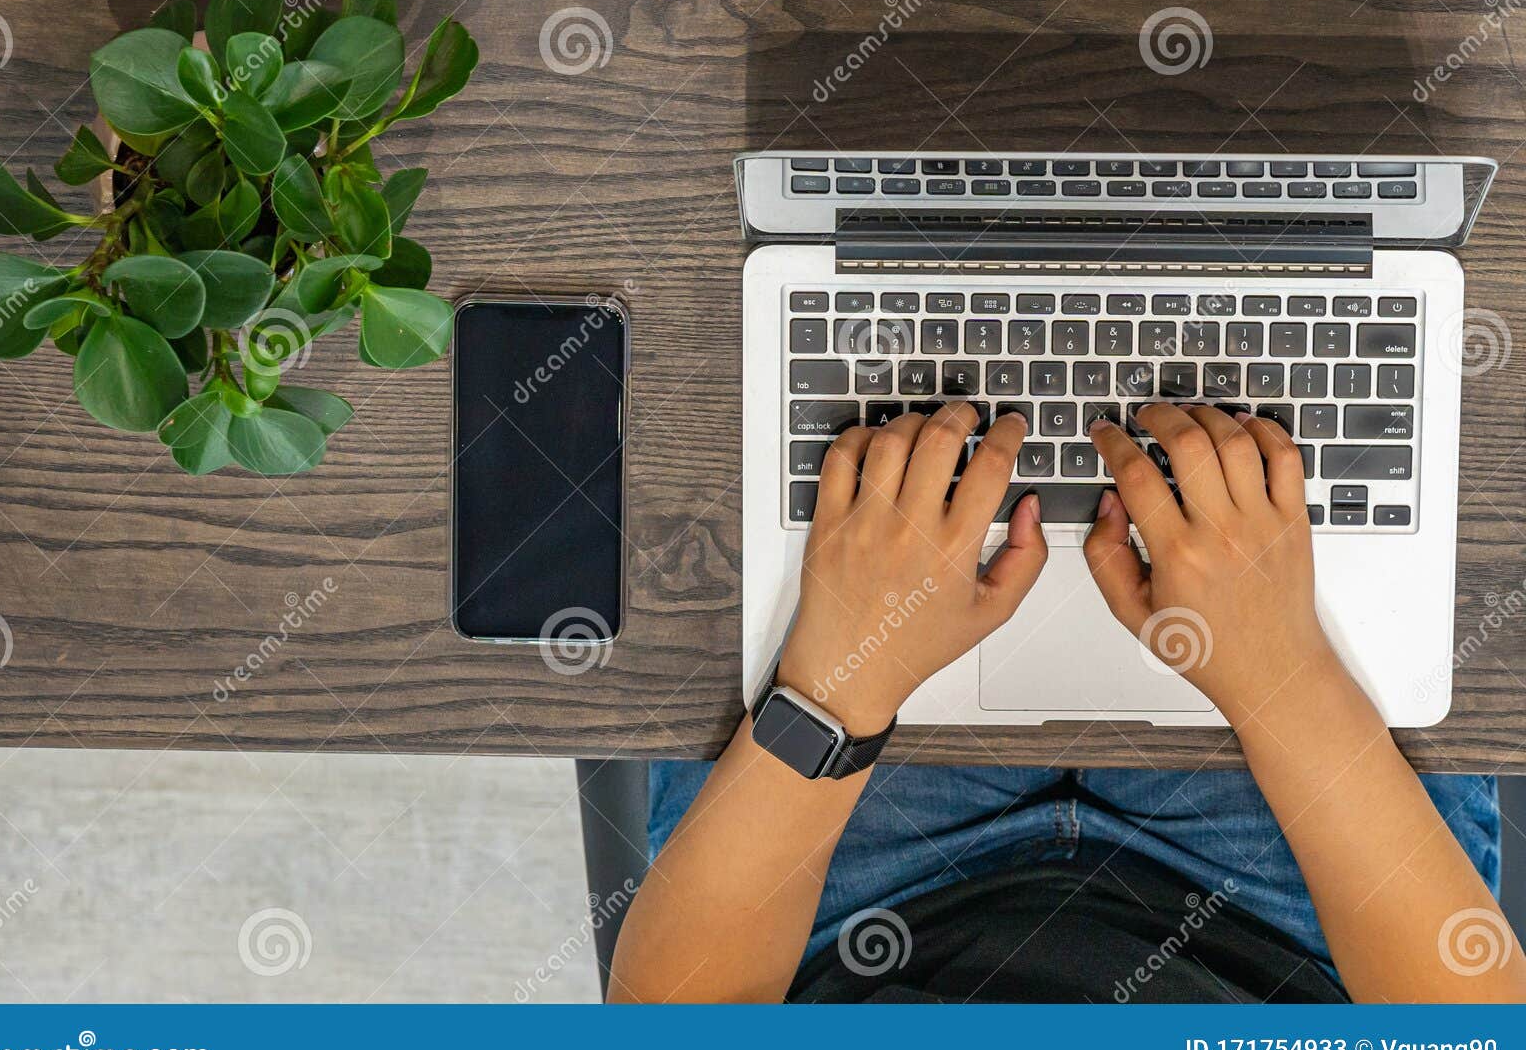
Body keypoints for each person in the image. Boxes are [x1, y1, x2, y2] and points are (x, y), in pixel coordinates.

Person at [610, 402, 1525, 1003]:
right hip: (1290, 922)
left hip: (847, 905)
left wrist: (835, 690)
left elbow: (675, 1030)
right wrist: (1283, 677)